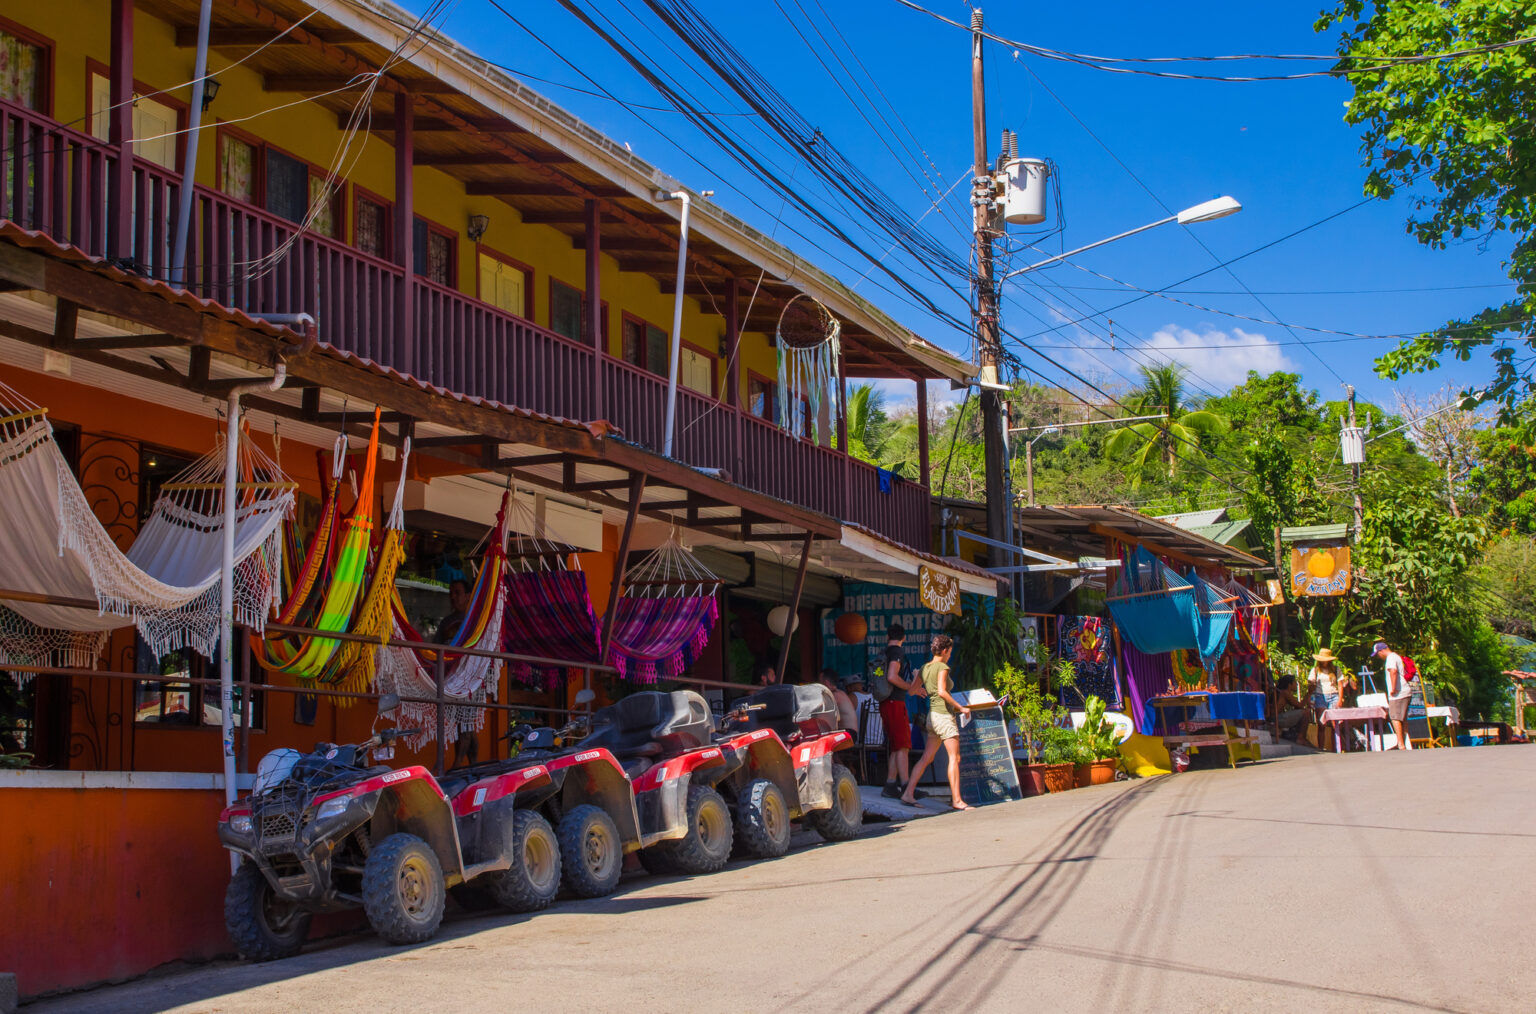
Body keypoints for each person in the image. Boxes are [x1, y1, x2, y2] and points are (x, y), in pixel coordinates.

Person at [901, 634, 973, 810]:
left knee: (927, 757)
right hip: (943, 716)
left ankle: (908, 793)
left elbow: (911, 691)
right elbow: (942, 691)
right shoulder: (942, 667)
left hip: (932, 718)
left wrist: (919, 681)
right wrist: (961, 707)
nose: (950, 655)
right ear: (945, 650)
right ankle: (957, 800)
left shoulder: (925, 667)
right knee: (954, 757)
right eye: (950, 652)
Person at [879, 623, 924, 799]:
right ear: (904, 637)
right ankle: (906, 785)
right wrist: (909, 687)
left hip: (887, 702)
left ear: (887, 637)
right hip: (895, 701)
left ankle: (891, 784)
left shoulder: (884, 652)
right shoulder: (897, 652)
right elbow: (892, 676)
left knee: (897, 746)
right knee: (903, 745)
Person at [1375, 640, 1412, 750]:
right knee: (1403, 718)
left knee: (1395, 717)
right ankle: (1402, 742)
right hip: (1405, 691)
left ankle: (1401, 744)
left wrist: (1393, 687)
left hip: (1398, 693)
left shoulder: (1390, 658)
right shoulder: (1396, 656)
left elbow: (1393, 671)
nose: (1378, 657)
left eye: (1378, 654)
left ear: (1381, 651)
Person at [1308, 647, 1342, 750]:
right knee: (1321, 724)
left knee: (1334, 724)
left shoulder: (1336, 669)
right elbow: (1310, 684)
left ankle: (1336, 747)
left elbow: (1340, 684)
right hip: (1320, 696)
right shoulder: (1315, 670)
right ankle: (1321, 748)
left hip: (1333, 695)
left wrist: (1340, 699)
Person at [1275, 675, 1309, 742]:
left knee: (1301, 712)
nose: (1296, 684)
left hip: (1278, 717)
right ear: (1289, 685)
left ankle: (1295, 735)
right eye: (1295, 682)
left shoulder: (1285, 692)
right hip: (1277, 718)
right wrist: (1309, 693)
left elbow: (1297, 707)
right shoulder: (1285, 693)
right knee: (1306, 712)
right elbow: (1300, 706)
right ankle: (1301, 737)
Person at [437, 579, 471, 644]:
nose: (452, 597)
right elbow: (436, 646)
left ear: (468, 596)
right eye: (451, 593)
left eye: (457, 593)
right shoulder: (445, 622)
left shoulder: (475, 620)